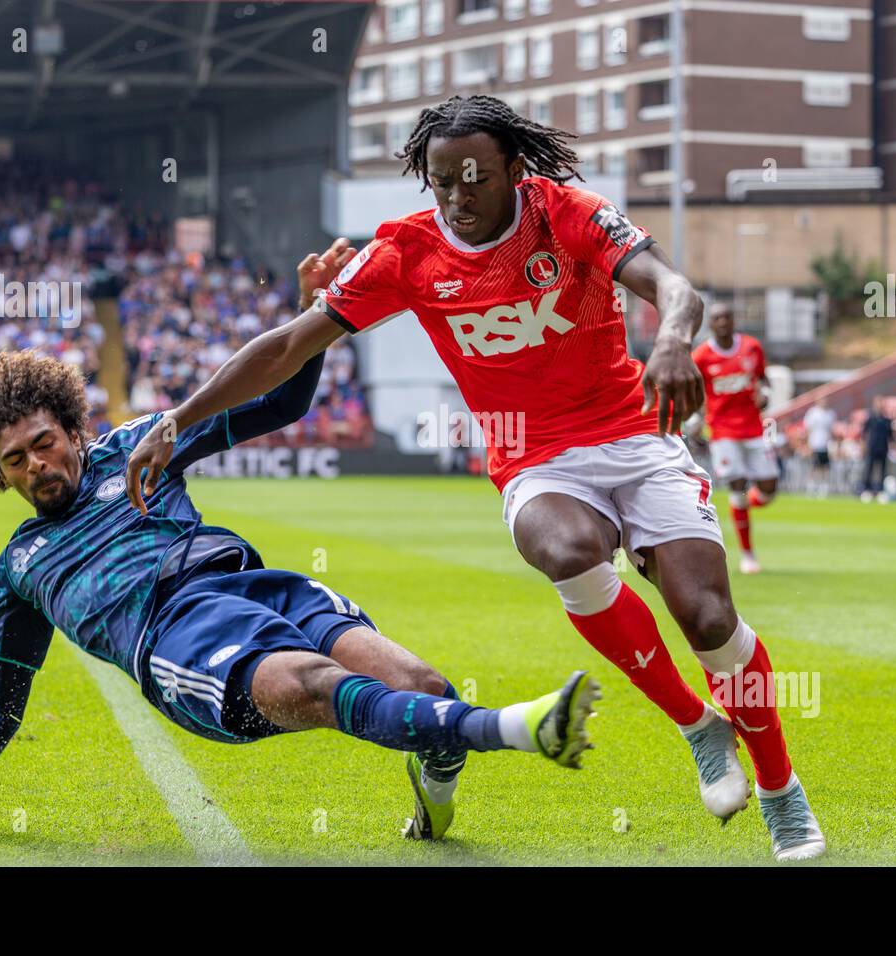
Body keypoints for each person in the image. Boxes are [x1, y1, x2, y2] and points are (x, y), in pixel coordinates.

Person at [126, 94, 824, 860]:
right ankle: (696, 724)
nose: (457, 197)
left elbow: (676, 287)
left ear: (515, 170)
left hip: (634, 431)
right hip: (535, 455)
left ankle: (780, 788)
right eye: (441, 180)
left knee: (710, 620)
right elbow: (287, 345)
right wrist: (176, 420)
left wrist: (674, 343)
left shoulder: (570, 214)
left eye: (474, 178)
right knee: (565, 550)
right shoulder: (403, 253)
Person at [0, 347, 600, 843]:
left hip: (252, 583)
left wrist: (315, 321)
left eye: (43, 442)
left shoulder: (137, 447)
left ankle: (434, 786)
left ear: (71, 428)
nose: (36, 466)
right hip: (176, 641)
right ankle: (514, 728)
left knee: (423, 684)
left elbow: (279, 403)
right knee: (318, 685)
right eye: (14, 461)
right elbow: (2, 702)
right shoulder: (20, 564)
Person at [692, 303, 778, 572]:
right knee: (737, 482)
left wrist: (765, 394)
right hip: (722, 429)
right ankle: (748, 555)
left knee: (769, 488)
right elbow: (694, 392)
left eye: (727, 316)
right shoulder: (701, 357)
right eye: (717, 318)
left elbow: (764, 379)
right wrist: (695, 420)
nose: (723, 321)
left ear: (733, 320)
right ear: (711, 324)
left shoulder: (752, 347)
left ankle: (741, 507)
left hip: (753, 427)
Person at [860, 397, 894, 498]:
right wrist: (863, 446)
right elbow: (864, 434)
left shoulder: (887, 421)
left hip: (883, 448)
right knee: (869, 469)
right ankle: (867, 490)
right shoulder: (870, 419)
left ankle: (880, 491)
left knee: (882, 470)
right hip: (872, 447)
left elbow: (890, 436)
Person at [802, 398, 836, 498]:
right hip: (815, 443)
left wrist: (832, 444)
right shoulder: (813, 413)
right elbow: (808, 429)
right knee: (814, 466)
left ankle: (823, 488)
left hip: (825, 444)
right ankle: (811, 487)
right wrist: (808, 445)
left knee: (825, 467)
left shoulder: (830, 414)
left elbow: (831, 430)